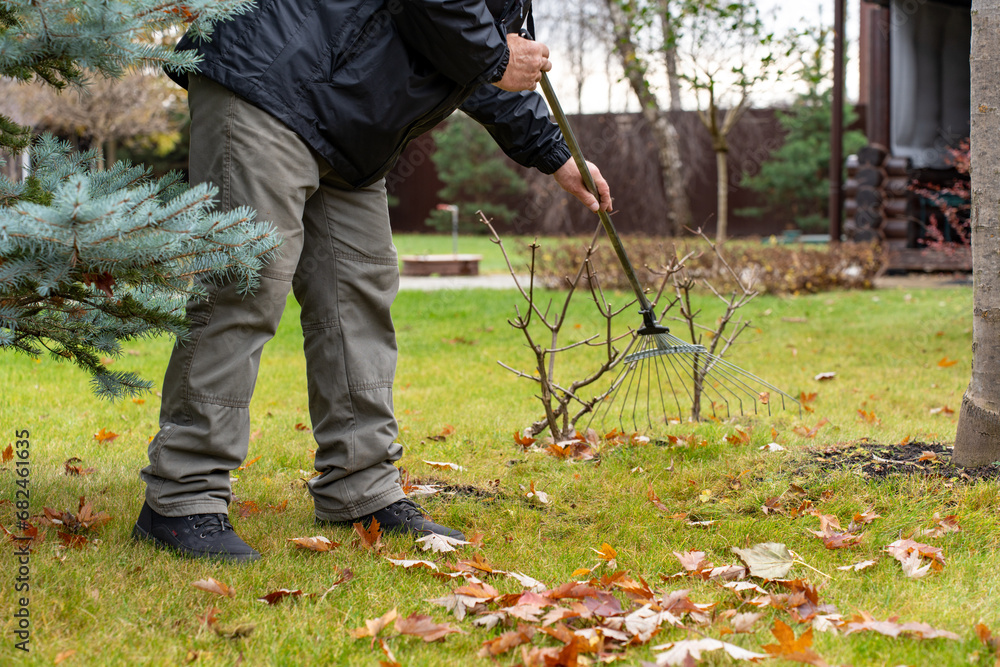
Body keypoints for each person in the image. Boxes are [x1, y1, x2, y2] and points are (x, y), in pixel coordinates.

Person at [132, 0, 613, 562]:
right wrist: (491, 54)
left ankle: (359, 488)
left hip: (353, 128)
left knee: (358, 297)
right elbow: (465, 38)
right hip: (274, 78)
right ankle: (182, 496)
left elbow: (468, 64)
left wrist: (556, 155)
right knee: (246, 287)